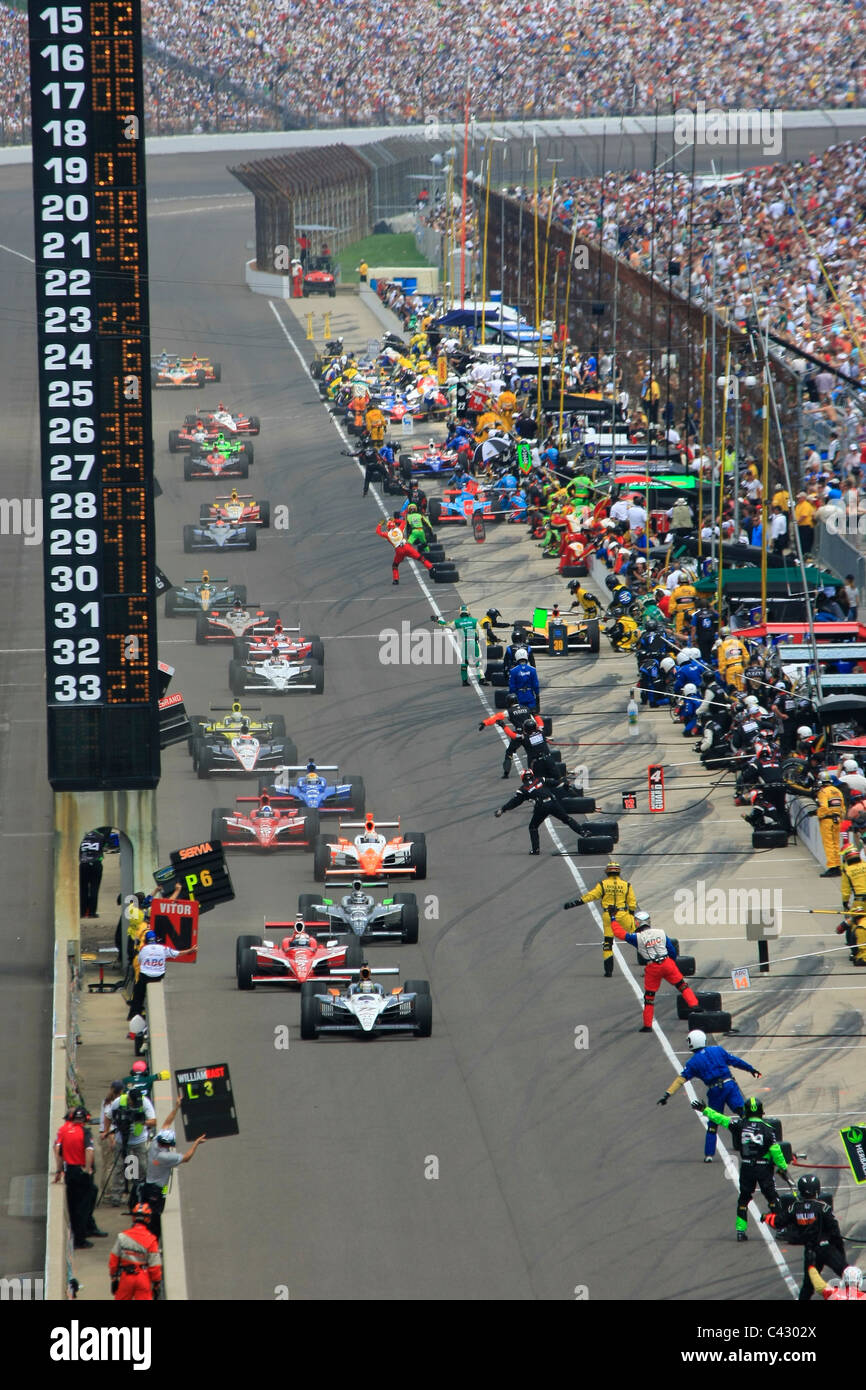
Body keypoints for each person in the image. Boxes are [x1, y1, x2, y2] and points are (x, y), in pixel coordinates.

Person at [692, 1096, 789, 1240]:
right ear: (761, 1112)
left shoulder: (740, 1125)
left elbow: (721, 1119)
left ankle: (740, 1231)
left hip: (747, 1167)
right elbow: (776, 1151)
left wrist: (704, 1109)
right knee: (773, 1199)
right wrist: (783, 1167)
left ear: (746, 1111)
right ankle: (780, 1229)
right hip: (763, 1169)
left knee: (743, 1199)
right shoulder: (769, 1129)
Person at [658, 1030, 762, 1160]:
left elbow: (680, 1080)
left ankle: (709, 1155)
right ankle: (756, 1144)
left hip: (715, 1091)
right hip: (730, 1085)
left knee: (713, 1122)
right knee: (744, 1115)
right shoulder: (718, 1050)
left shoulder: (692, 1063)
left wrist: (667, 1094)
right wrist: (751, 1069)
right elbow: (735, 1061)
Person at [611, 910, 699, 1031]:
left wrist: (612, 918)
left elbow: (619, 933)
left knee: (649, 997)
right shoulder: (661, 932)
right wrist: (671, 963)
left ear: (637, 923)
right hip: (667, 963)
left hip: (652, 967)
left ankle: (647, 1025)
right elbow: (671, 949)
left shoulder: (637, 937)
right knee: (682, 985)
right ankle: (694, 1005)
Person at [763, 1173, 847, 1299]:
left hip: (811, 1252)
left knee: (808, 1287)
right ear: (817, 1191)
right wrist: (840, 1251)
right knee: (848, 1274)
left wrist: (766, 1217)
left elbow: (778, 1222)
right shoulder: (824, 1208)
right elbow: (835, 1232)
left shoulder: (794, 1208)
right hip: (827, 1249)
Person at [142, 1094, 207, 1236]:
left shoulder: (155, 1143)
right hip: (156, 1190)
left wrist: (177, 1107)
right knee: (155, 1217)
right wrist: (196, 1143)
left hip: (155, 1185)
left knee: (159, 1205)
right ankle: (153, 1240)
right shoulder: (164, 1156)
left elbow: (166, 1123)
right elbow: (187, 1158)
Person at [563, 858, 636, 978]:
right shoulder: (626, 885)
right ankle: (649, 962)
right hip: (624, 915)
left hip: (608, 916)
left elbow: (590, 896)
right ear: (619, 872)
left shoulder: (603, 885)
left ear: (607, 872)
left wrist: (574, 903)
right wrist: (631, 916)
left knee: (608, 943)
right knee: (639, 938)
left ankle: (608, 971)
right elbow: (632, 902)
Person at [494, 768, 586, 855]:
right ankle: (583, 832)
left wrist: (502, 809)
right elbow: (557, 783)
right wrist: (566, 783)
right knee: (567, 819)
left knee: (533, 827)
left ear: (522, 778)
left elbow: (514, 802)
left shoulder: (523, 789)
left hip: (542, 806)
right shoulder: (541, 780)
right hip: (553, 802)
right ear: (532, 775)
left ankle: (536, 850)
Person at [54, 1105, 107, 1248]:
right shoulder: (84, 1132)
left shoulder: (65, 1132)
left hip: (69, 1172)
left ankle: (78, 1234)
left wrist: (59, 1170)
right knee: (83, 1207)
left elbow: (58, 1150)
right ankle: (81, 1238)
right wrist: (88, 1168)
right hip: (81, 1172)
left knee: (73, 1205)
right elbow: (89, 1151)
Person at [129, 929, 195, 1018]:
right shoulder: (163, 948)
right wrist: (190, 950)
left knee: (138, 993)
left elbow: (140, 961)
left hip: (145, 976)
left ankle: (134, 1014)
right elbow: (177, 953)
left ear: (146, 940)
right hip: (158, 976)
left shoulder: (143, 949)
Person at [108, 1202, 162, 1302]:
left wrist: (114, 1278)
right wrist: (156, 1283)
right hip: (143, 1277)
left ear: (133, 1218)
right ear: (148, 1219)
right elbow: (155, 1266)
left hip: (126, 1277)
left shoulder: (122, 1236)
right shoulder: (151, 1239)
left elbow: (113, 1259)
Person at [433, 604, 485, 686]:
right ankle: (482, 679)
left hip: (465, 644)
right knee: (477, 661)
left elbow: (447, 624)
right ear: (468, 612)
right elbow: (481, 634)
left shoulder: (457, 622)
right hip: (473, 642)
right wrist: (480, 640)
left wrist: (437, 620)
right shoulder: (474, 620)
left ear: (460, 612)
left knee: (464, 662)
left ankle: (464, 681)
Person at [376, 513, 434, 586]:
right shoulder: (399, 529)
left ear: (388, 527)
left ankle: (396, 580)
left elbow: (378, 532)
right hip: (407, 547)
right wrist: (395, 519)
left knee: (395, 565)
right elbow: (403, 522)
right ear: (394, 525)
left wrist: (380, 524)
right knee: (420, 558)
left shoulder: (387, 534)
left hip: (399, 551)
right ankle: (431, 568)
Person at [816, 770, 845, 877]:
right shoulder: (837, 791)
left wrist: (819, 814)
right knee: (836, 844)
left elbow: (823, 807)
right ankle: (837, 865)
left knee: (828, 844)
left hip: (827, 820)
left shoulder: (823, 792)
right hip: (837, 820)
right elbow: (843, 808)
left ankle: (832, 867)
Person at [79, 827, 108, 917]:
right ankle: (92, 912)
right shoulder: (100, 835)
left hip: (83, 864)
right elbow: (105, 847)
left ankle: (82, 912)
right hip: (96, 864)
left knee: (83, 889)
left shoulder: (81, 836)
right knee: (94, 888)